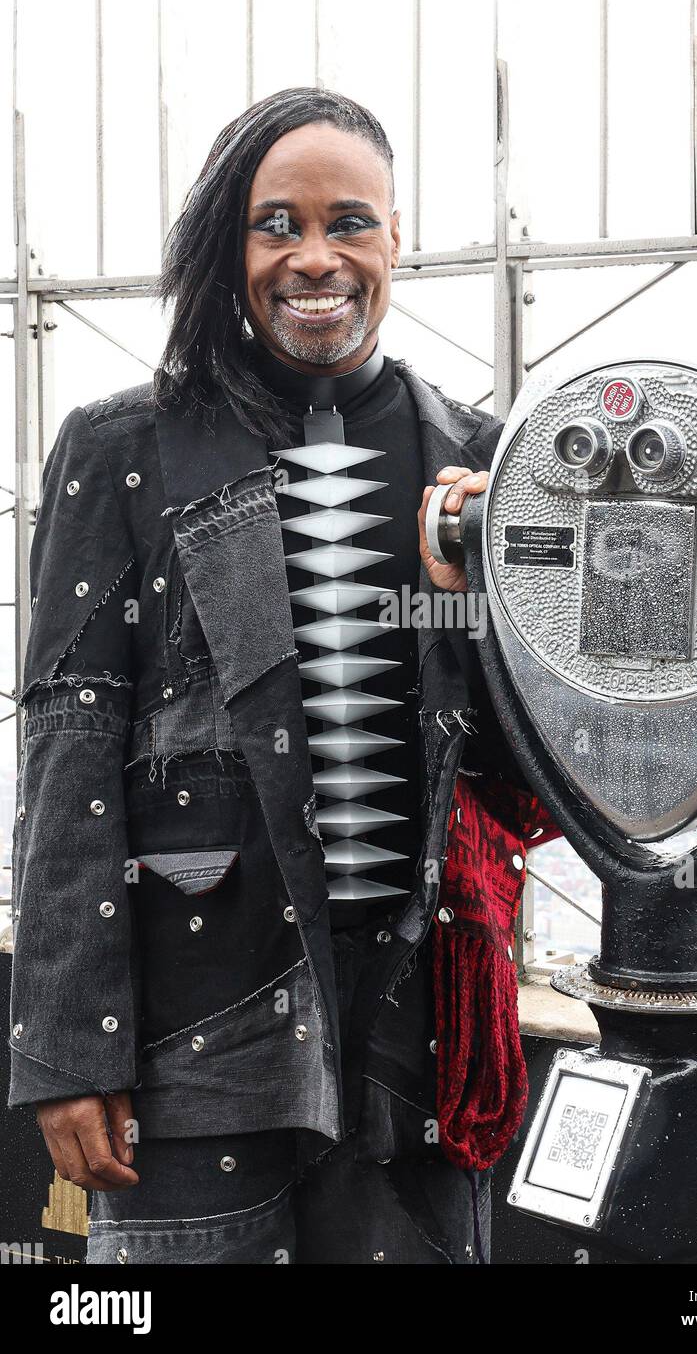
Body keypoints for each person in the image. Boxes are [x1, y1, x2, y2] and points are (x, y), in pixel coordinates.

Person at [7, 88, 554, 1265]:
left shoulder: (482, 457)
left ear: (395, 238)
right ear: (232, 246)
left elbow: (533, 788)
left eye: (347, 222)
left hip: (414, 1054)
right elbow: (66, 741)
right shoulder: (122, 450)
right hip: (190, 1053)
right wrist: (66, 1048)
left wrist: (481, 614)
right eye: (276, 226)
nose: (315, 258)